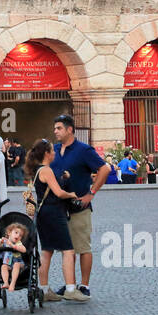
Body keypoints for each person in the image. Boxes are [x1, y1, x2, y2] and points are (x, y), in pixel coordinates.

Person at [48, 114, 109, 302]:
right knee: (67, 249)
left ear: (69, 130)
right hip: (60, 207)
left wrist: (91, 193)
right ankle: (70, 285)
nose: (55, 131)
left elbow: (105, 169)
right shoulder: (55, 150)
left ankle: (84, 285)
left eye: (59, 128)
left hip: (79, 206)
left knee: (82, 247)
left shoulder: (83, 150)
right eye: (55, 128)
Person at [23, 139, 79, 303]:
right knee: (68, 250)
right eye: (52, 151)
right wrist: (72, 194)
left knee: (47, 251)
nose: (54, 153)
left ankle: (45, 290)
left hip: (42, 213)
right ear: (46, 154)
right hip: (54, 213)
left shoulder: (38, 170)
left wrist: (63, 178)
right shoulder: (46, 170)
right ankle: (70, 289)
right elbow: (59, 193)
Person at [0, 222, 28, 293]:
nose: (18, 236)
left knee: (16, 264)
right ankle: (6, 282)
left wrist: (13, 245)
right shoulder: (4, 242)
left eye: (20, 235)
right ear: (9, 233)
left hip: (19, 263)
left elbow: (24, 250)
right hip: (8, 263)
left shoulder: (18, 243)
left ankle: (13, 283)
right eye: (16, 233)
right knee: (3, 266)